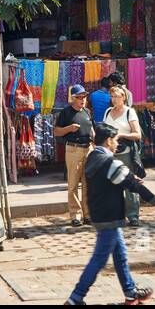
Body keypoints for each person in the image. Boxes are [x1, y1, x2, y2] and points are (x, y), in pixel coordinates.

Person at [64, 123, 155, 305]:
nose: (116, 144)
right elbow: (134, 185)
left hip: (102, 214)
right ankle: (76, 298)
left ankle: (131, 293)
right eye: (115, 140)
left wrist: (128, 177)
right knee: (99, 260)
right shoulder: (110, 161)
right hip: (110, 217)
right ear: (108, 141)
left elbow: (119, 179)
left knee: (120, 256)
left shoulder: (93, 156)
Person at [102, 84, 144, 226]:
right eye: (112, 97)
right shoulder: (108, 111)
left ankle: (133, 215)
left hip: (125, 154)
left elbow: (137, 134)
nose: (114, 99)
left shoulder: (129, 112)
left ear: (123, 97)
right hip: (110, 154)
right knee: (112, 185)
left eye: (117, 97)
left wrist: (121, 135)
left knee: (129, 185)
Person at [54, 84, 95, 226]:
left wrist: (95, 145)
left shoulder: (87, 112)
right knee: (72, 185)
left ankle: (88, 214)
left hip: (88, 149)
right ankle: (75, 215)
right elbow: (57, 132)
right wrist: (68, 129)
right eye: (79, 97)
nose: (82, 99)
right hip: (73, 150)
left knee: (88, 184)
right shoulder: (66, 113)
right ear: (72, 98)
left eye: (84, 96)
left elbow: (92, 130)